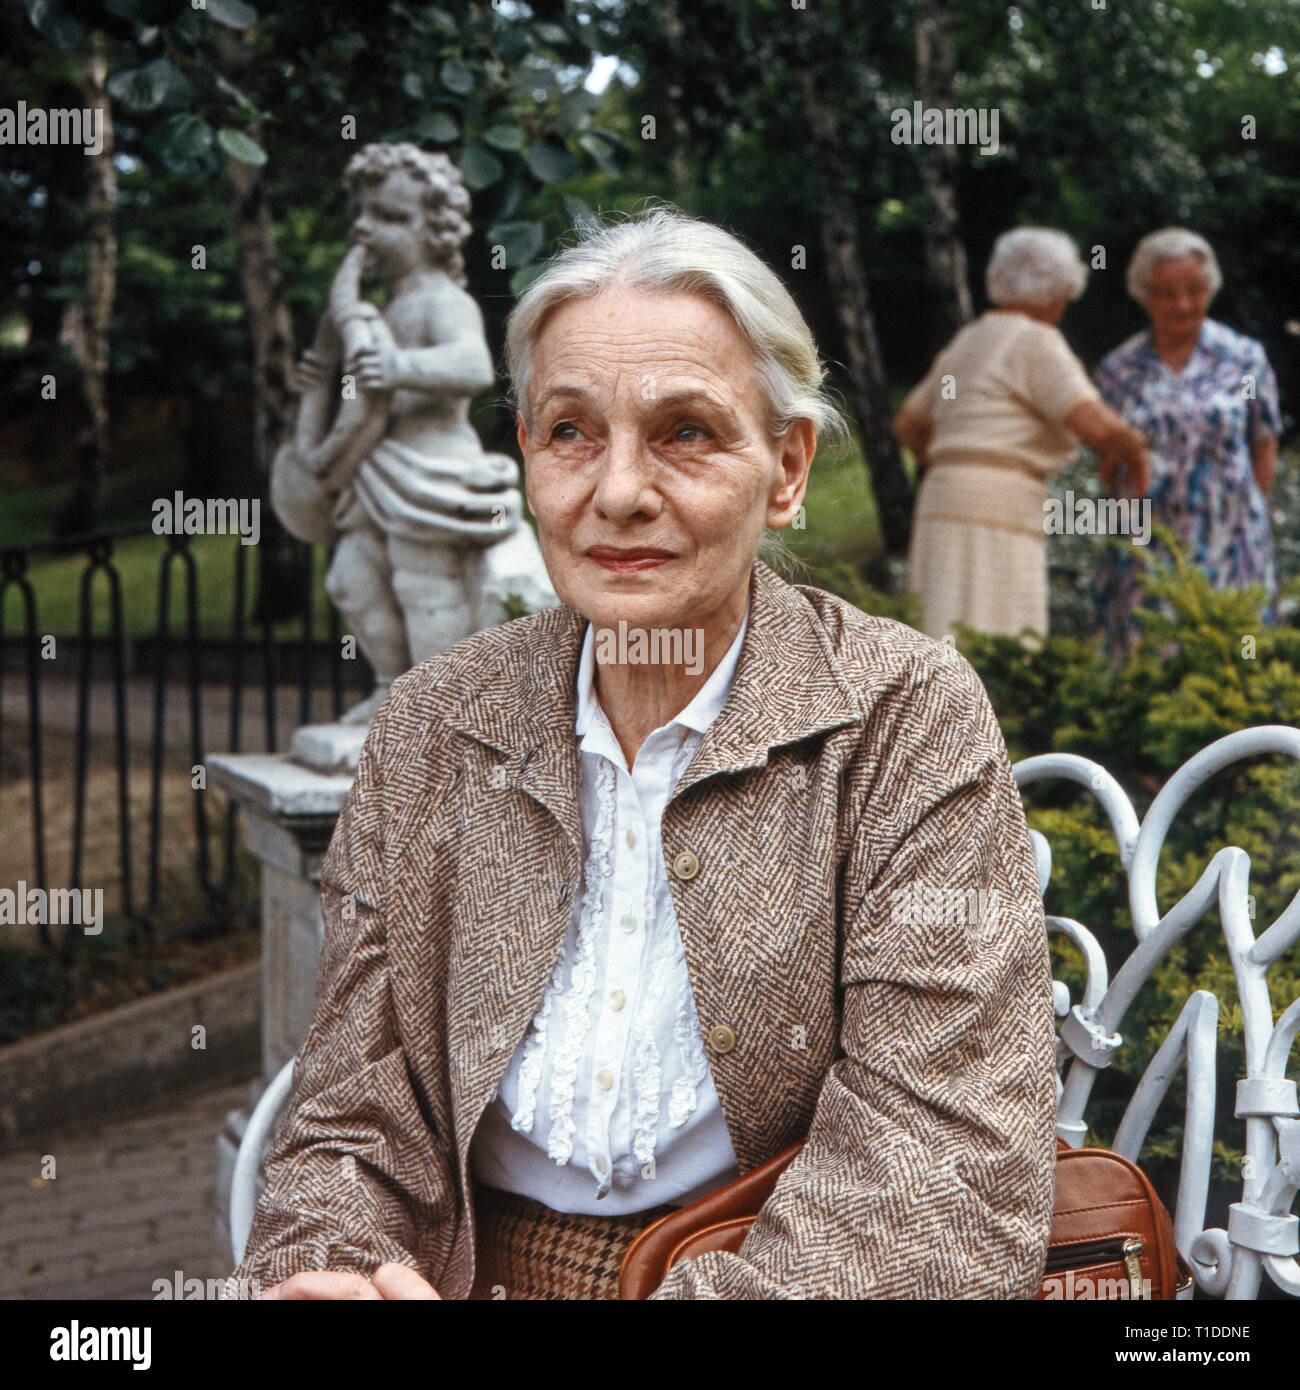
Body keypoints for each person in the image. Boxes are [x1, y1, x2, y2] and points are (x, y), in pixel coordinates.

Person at [229, 207, 1057, 1301]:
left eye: (685, 432)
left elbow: (939, 1166)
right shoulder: (436, 720)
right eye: (570, 431)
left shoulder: (900, 715)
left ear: (787, 467)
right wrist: (327, 1266)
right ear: (525, 452)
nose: (616, 490)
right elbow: (352, 1110)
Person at [894, 227, 1148, 643]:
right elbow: (1095, 424)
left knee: (937, 633)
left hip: (940, 498)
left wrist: (956, 465)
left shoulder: (968, 339)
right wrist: (1135, 449)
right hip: (1001, 506)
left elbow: (907, 424)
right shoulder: (1037, 342)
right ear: (1057, 295)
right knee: (1001, 637)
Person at [1093, 228, 1283, 662]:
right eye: (1166, 292)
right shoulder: (1119, 369)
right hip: (1147, 540)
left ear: (1211, 288)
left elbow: (1264, 440)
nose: (1182, 304)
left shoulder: (1243, 357)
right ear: (1143, 295)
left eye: (1194, 290)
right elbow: (1107, 460)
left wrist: (1247, 513)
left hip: (1229, 536)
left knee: (1229, 659)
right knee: (1150, 659)